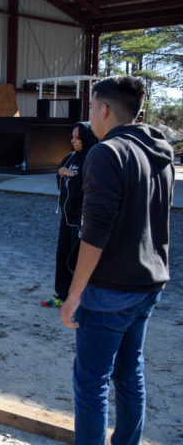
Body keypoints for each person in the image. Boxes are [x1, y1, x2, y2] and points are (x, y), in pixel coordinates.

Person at [60, 76, 173, 445]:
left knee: (92, 384)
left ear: (104, 109)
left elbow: (95, 232)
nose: (90, 114)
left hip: (110, 290)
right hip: (149, 282)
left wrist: (74, 293)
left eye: (92, 106)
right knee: (129, 374)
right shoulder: (159, 149)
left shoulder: (106, 153)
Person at [44, 122, 98, 308]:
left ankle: (81, 300)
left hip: (83, 219)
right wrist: (66, 175)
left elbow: (86, 186)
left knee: (79, 261)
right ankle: (62, 294)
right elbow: (60, 175)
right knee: (63, 255)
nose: (73, 141)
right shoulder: (70, 158)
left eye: (77, 138)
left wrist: (70, 176)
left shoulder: (93, 159)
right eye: (72, 137)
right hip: (67, 217)